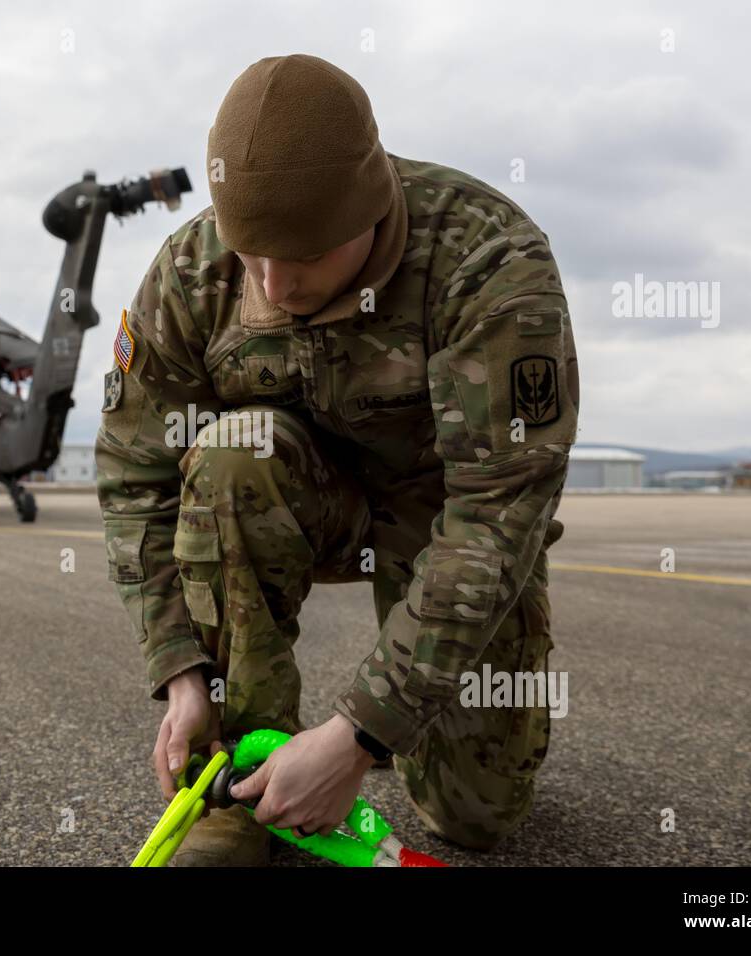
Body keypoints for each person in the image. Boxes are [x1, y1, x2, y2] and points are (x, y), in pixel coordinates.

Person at [96, 53, 579, 865]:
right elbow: (134, 476)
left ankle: (364, 754)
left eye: (308, 256)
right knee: (231, 456)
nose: (277, 286)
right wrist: (179, 670)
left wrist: (360, 735)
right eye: (254, 257)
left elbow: (497, 518)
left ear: (373, 205)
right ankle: (248, 781)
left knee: (475, 817)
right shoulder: (192, 271)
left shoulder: (489, 262)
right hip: (295, 498)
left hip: (445, 527)